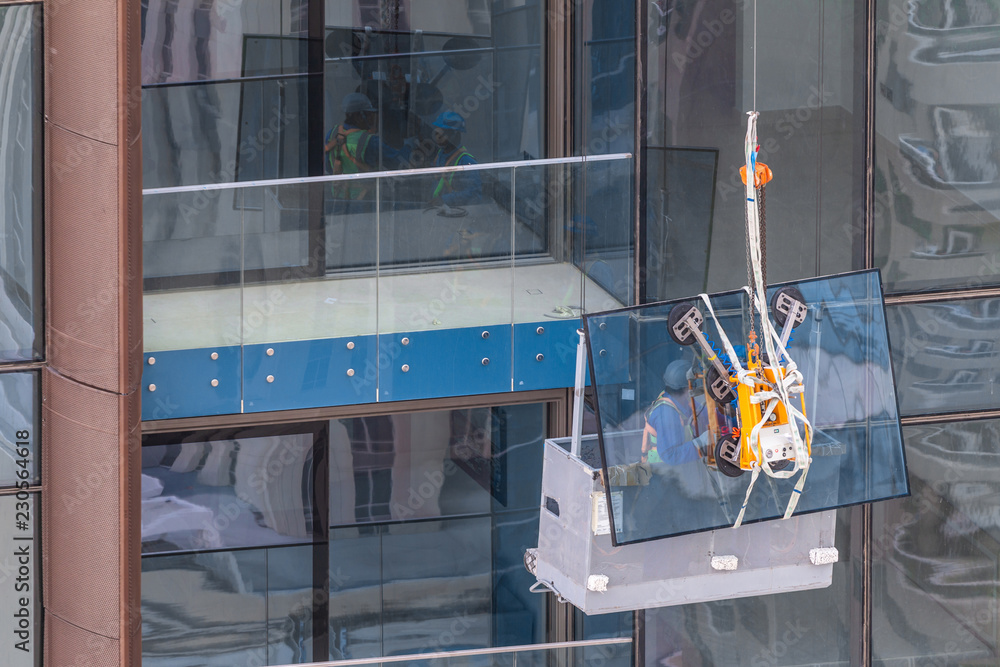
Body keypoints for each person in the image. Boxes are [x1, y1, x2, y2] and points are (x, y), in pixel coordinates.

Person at [324, 92, 406, 199]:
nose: (372, 118)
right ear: (359, 116)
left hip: (338, 197)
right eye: (369, 114)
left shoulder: (332, 134)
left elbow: (328, 166)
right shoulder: (369, 141)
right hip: (364, 199)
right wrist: (409, 145)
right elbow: (398, 162)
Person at [641, 360, 707, 465]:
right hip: (664, 471)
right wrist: (701, 442)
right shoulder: (666, 414)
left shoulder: (683, 401)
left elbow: (707, 414)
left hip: (684, 466)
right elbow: (670, 456)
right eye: (693, 384)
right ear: (687, 388)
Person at [427, 110, 483, 207]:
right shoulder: (440, 154)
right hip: (439, 209)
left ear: (455, 135)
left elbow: (474, 194)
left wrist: (444, 200)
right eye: (436, 133)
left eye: (442, 134)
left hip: (458, 211)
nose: (438, 137)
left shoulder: (467, 161)